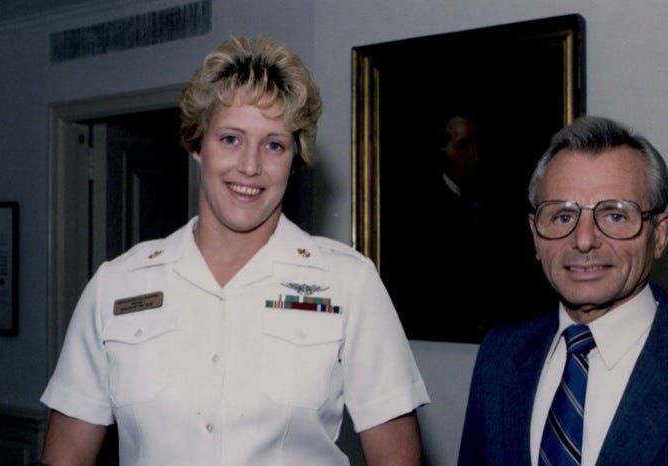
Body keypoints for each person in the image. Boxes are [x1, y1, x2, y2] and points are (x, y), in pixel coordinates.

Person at [39, 36, 430, 465]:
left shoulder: (349, 284)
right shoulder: (116, 285)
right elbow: (65, 456)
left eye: (274, 144)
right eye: (230, 139)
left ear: (294, 160)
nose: (250, 165)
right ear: (196, 144)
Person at [458, 115, 668, 465]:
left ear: (659, 234)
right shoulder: (500, 357)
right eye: (562, 216)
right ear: (535, 234)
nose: (583, 240)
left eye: (615, 216)